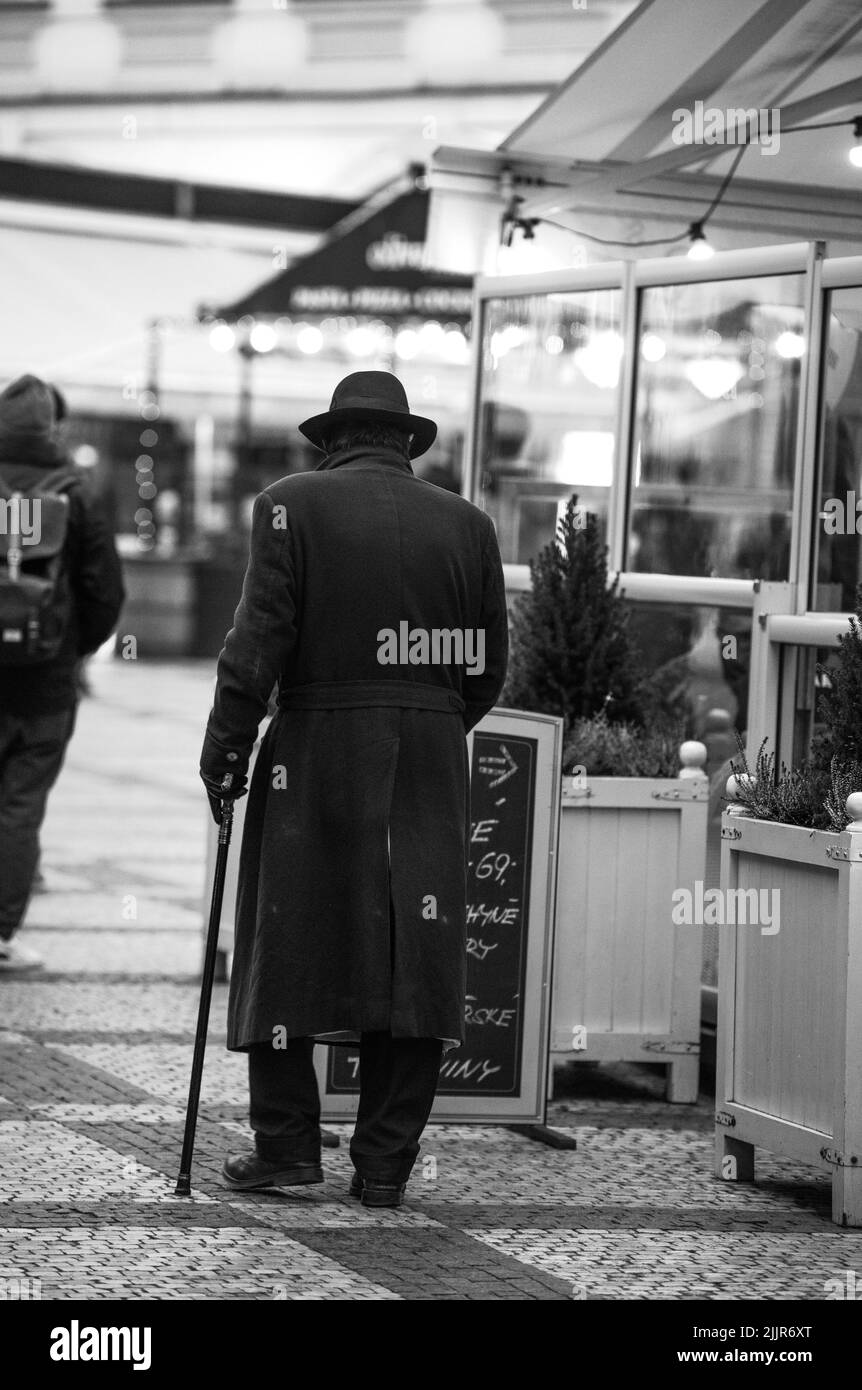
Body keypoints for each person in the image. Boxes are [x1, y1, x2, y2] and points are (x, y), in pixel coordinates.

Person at [200, 370, 508, 1208]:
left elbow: (255, 645)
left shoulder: (289, 506)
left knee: (288, 939)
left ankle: (286, 1146)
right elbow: (487, 670)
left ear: (331, 440)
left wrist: (225, 754)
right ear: (407, 442)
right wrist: (429, 719)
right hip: (430, 753)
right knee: (416, 954)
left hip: (316, 746)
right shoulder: (470, 525)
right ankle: (383, 1166)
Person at [0, 374, 124, 970]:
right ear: (52, 427)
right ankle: (0, 935)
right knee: (20, 807)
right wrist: (72, 650)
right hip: (45, 682)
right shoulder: (75, 492)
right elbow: (106, 592)